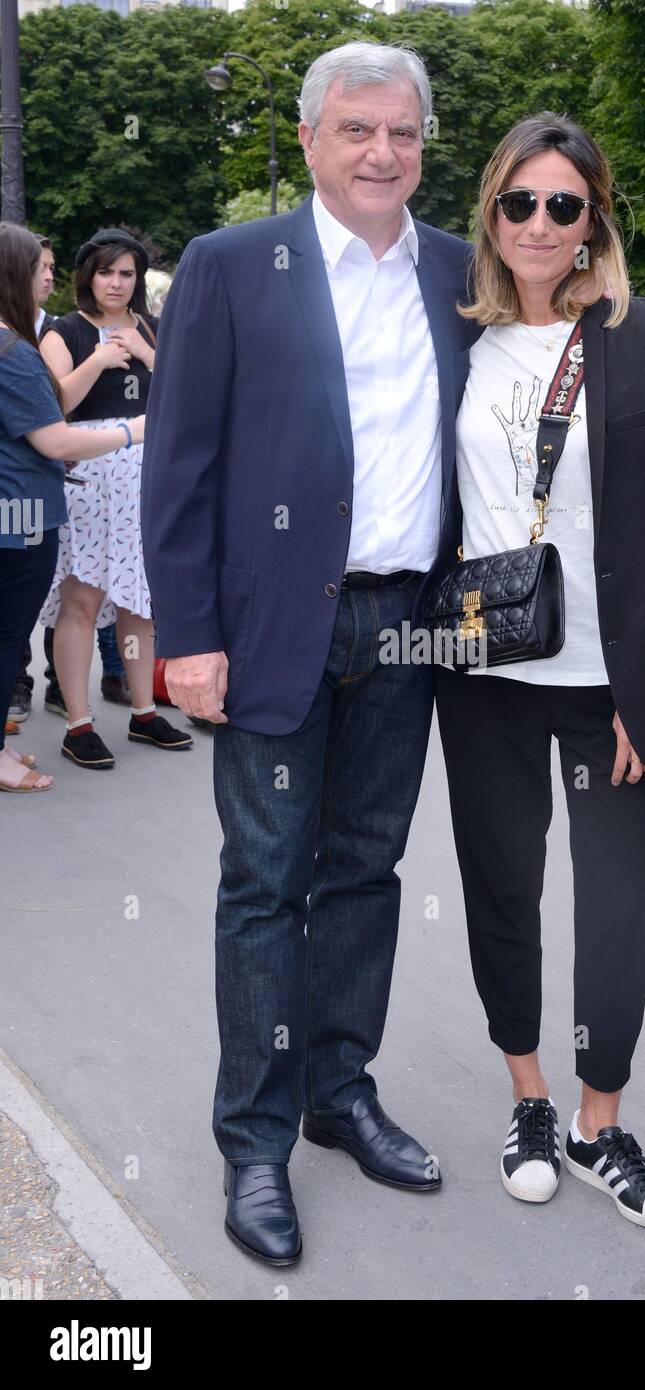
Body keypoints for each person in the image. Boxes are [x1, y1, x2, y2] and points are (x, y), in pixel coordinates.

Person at [140, 41, 475, 1266]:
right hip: (274, 625)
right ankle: (254, 1139)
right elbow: (177, 470)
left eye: (401, 132)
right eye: (356, 130)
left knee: (367, 869)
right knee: (265, 883)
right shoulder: (234, 268)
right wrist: (188, 638)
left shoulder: (456, 269)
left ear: (421, 144)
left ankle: (339, 1093)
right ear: (310, 141)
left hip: (410, 625)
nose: (381, 152)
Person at [432, 113, 645, 1227]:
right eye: (520, 201)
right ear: (491, 213)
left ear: (592, 221)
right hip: (480, 677)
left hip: (609, 690)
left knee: (611, 910)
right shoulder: (455, 339)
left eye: (564, 204)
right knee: (500, 895)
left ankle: (595, 1122)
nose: (539, 223)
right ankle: (525, 1097)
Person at [39, 228, 191, 770]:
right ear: (88, 276)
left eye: (127, 273)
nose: (117, 283)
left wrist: (149, 353)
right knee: (82, 598)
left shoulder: (149, 327)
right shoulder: (63, 331)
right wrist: (98, 362)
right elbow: (53, 405)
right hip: (87, 475)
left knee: (138, 602)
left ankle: (144, 712)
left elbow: (185, 396)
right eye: (107, 272)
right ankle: (78, 724)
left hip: (145, 476)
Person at [0, 222, 144, 792]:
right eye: (42, 268)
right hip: (21, 517)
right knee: (9, 636)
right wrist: (132, 433)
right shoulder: (17, 349)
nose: (49, 277)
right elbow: (55, 437)